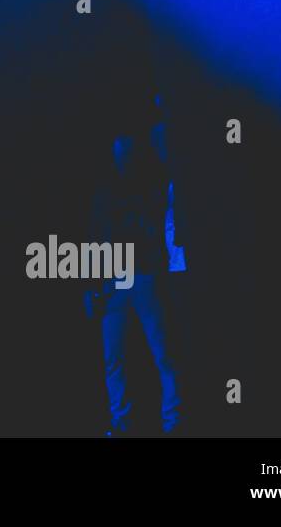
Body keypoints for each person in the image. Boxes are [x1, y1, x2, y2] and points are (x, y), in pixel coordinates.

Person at [90, 111, 182, 436]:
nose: (123, 158)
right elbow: (96, 237)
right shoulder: (106, 193)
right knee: (116, 358)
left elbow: (152, 230)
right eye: (119, 152)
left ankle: (172, 422)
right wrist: (94, 283)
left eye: (127, 152)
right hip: (116, 279)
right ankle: (124, 421)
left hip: (140, 275)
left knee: (161, 352)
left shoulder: (148, 188)